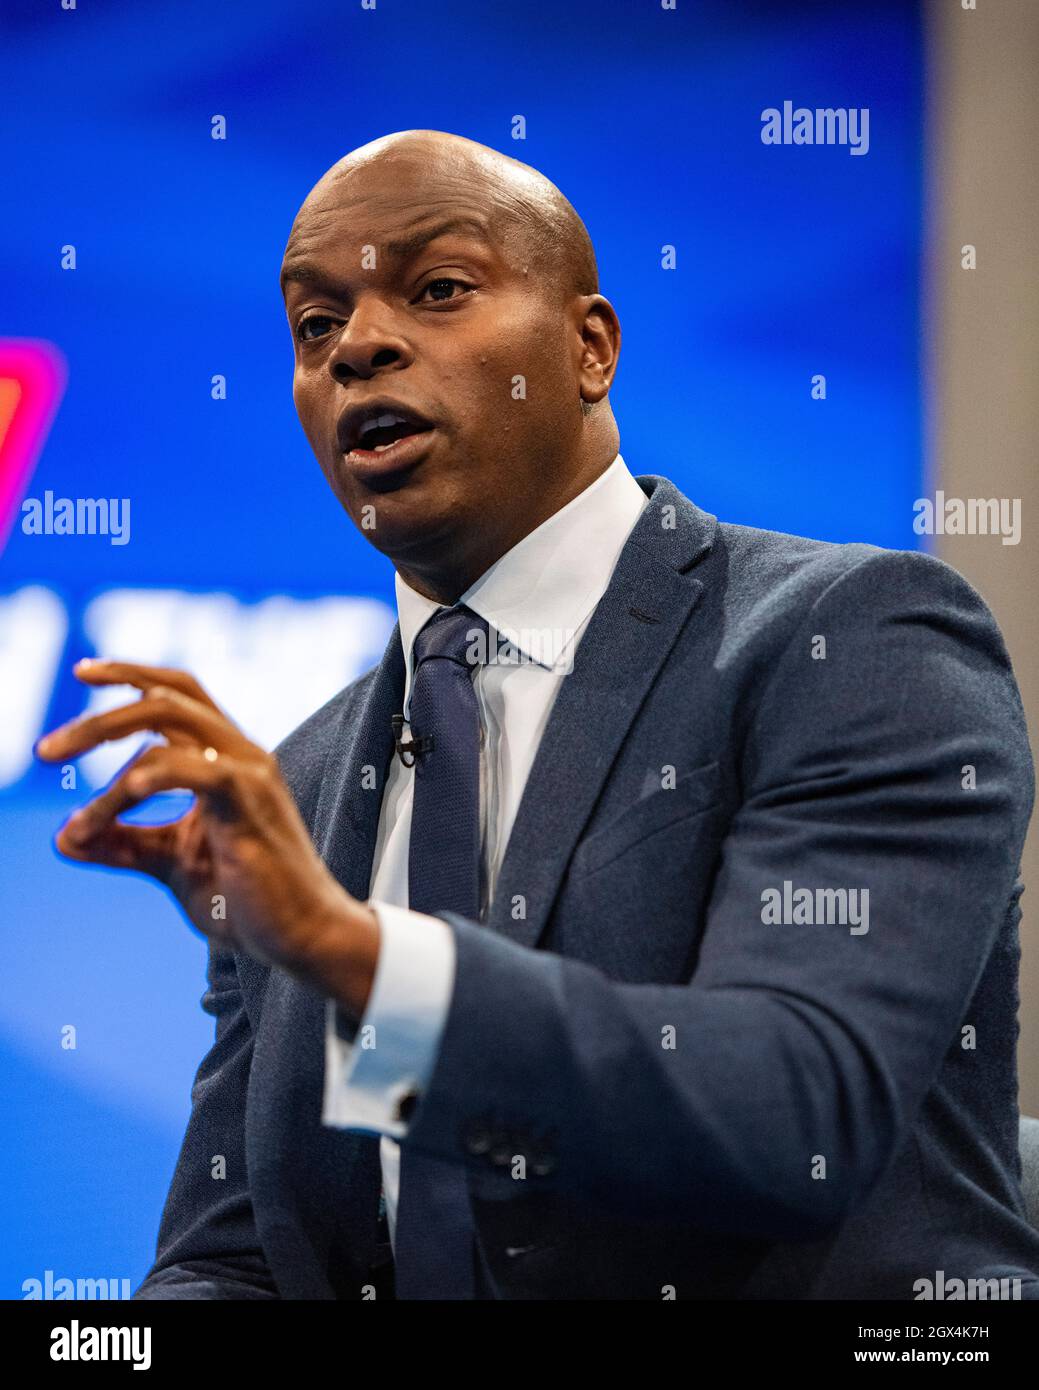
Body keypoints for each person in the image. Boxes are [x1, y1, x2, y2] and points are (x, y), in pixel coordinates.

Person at [36, 130, 1039, 1299]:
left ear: (587, 348)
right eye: (316, 327)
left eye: (437, 289)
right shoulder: (304, 784)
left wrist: (351, 951)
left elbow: (795, 1116)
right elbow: (238, 1257)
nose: (358, 344)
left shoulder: (853, 642)